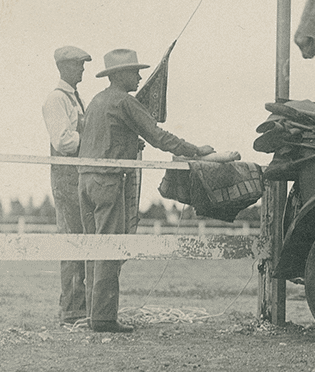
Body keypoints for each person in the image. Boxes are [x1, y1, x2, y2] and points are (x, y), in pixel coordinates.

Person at [77, 48, 215, 333]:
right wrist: (196, 151)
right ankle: (103, 319)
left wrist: (128, 143)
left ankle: (94, 314)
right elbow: (158, 136)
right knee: (111, 248)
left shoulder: (97, 101)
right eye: (134, 71)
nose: (140, 76)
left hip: (85, 181)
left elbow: (102, 137)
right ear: (120, 75)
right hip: (108, 181)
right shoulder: (124, 102)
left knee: (93, 247)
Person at [42, 45, 91, 325]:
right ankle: (72, 309)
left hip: (79, 176)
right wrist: (93, 141)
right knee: (72, 240)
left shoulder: (75, 99)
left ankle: (78, 306)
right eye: (78, 65)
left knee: (82, 240)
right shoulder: (56, 100)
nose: (82, 69)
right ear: (65, 67)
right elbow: (63, 141)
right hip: (65, 178)